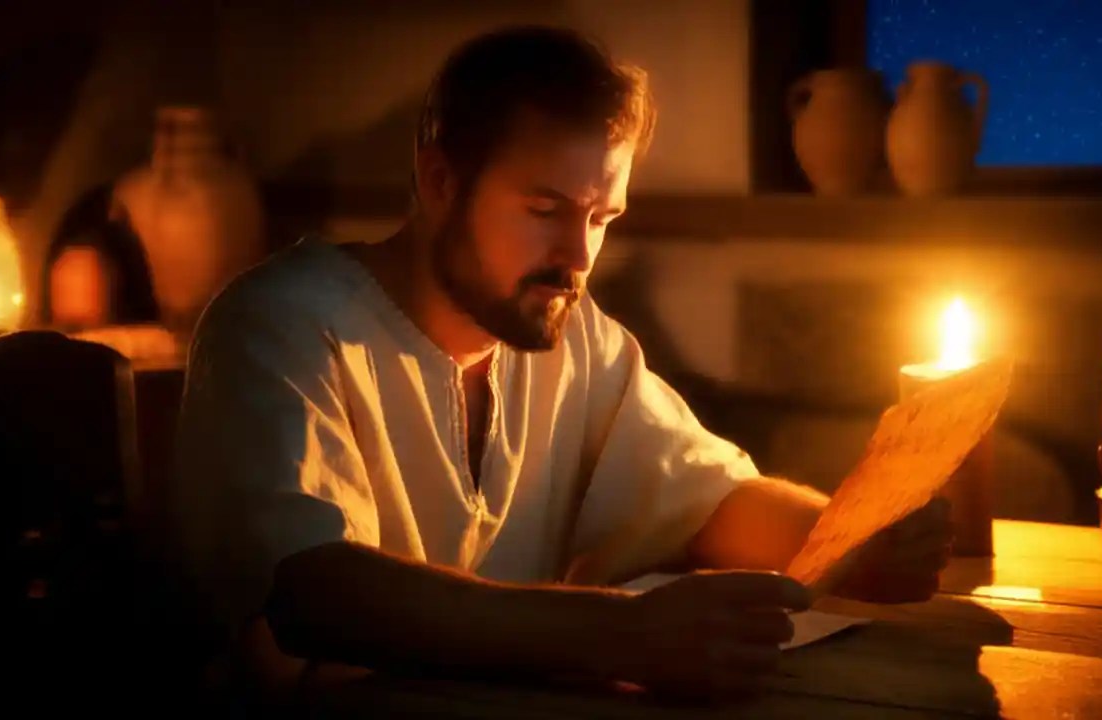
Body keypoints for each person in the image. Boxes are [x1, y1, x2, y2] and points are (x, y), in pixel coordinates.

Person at [171, 25, 953, 704]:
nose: (578, 256)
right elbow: (310, 591)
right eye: (544, 211)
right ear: (439, 180)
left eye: (601, 217)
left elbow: (708, 498)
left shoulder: (577, 342)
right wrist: (616, 635)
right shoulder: (279, 325)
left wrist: (853, 541)